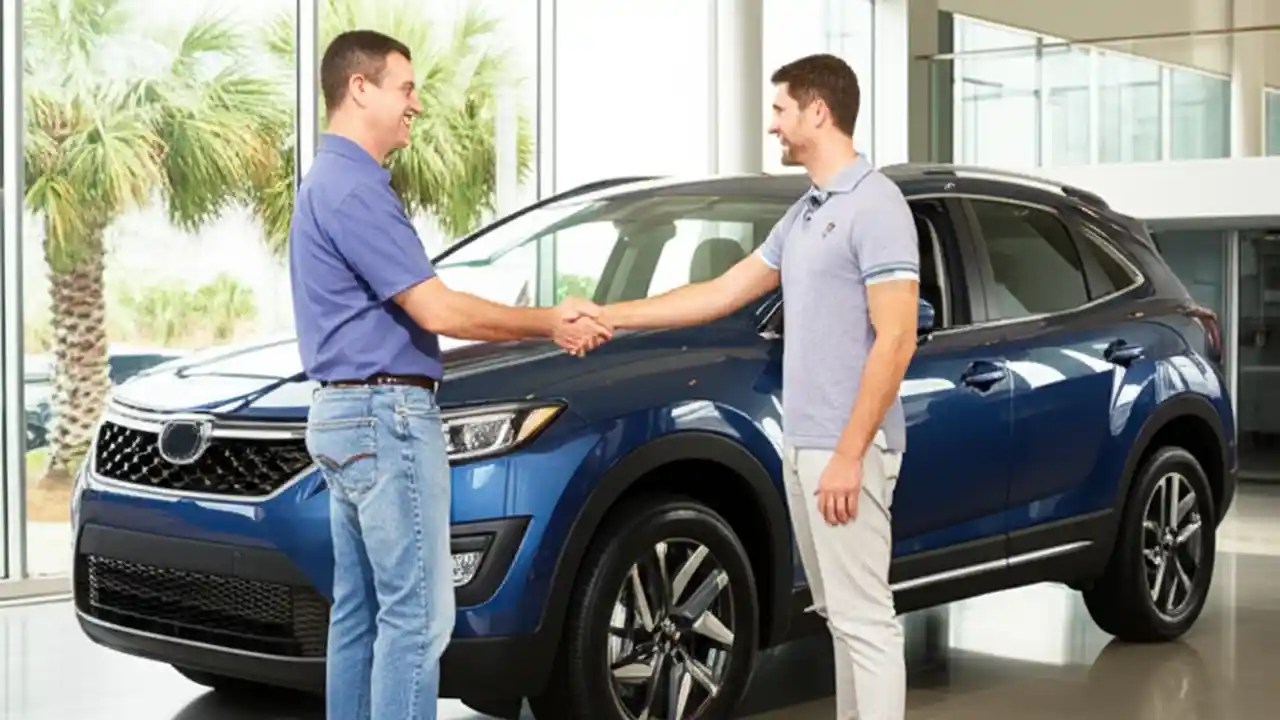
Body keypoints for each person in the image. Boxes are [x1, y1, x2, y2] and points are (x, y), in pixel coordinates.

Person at [287, 30, 611, 720]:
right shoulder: (355, 189)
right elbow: (433, 306)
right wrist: (549, 320)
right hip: (385, 418)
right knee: (419, 618)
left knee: (361, 613)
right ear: (360, 88)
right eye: (406, 88)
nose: (417, 104)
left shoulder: (324, 181)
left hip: (342, 417)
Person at [598, 53, 919, 720]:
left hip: (844, 449)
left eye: (780, 110)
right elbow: (721, 292)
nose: (772, 125)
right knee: (839, 613)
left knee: (866, 619)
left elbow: (896, 339)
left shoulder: (876, 205)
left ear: (818, 112)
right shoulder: (805, 212)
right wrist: (611, 316)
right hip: (804, 444)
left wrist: (850, 452)